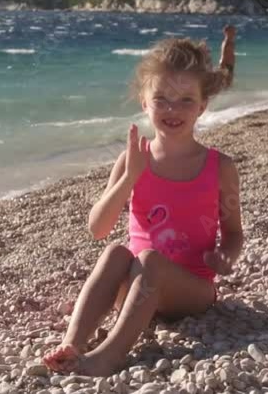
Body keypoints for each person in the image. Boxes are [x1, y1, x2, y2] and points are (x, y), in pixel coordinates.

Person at [42, 34, 244, 377]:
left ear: (202, 106)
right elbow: (98, 229)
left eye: (185, 100)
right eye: (161, 99)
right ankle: (72, 343)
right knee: (116, 253)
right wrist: (130, 177)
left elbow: (235, 234)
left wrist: (226, 256)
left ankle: (110, 355)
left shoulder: (219, 167)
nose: (172, 109)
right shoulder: (133, 159)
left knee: (149, 259)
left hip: (192, 291)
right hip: (135, 291)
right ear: (144, 101)